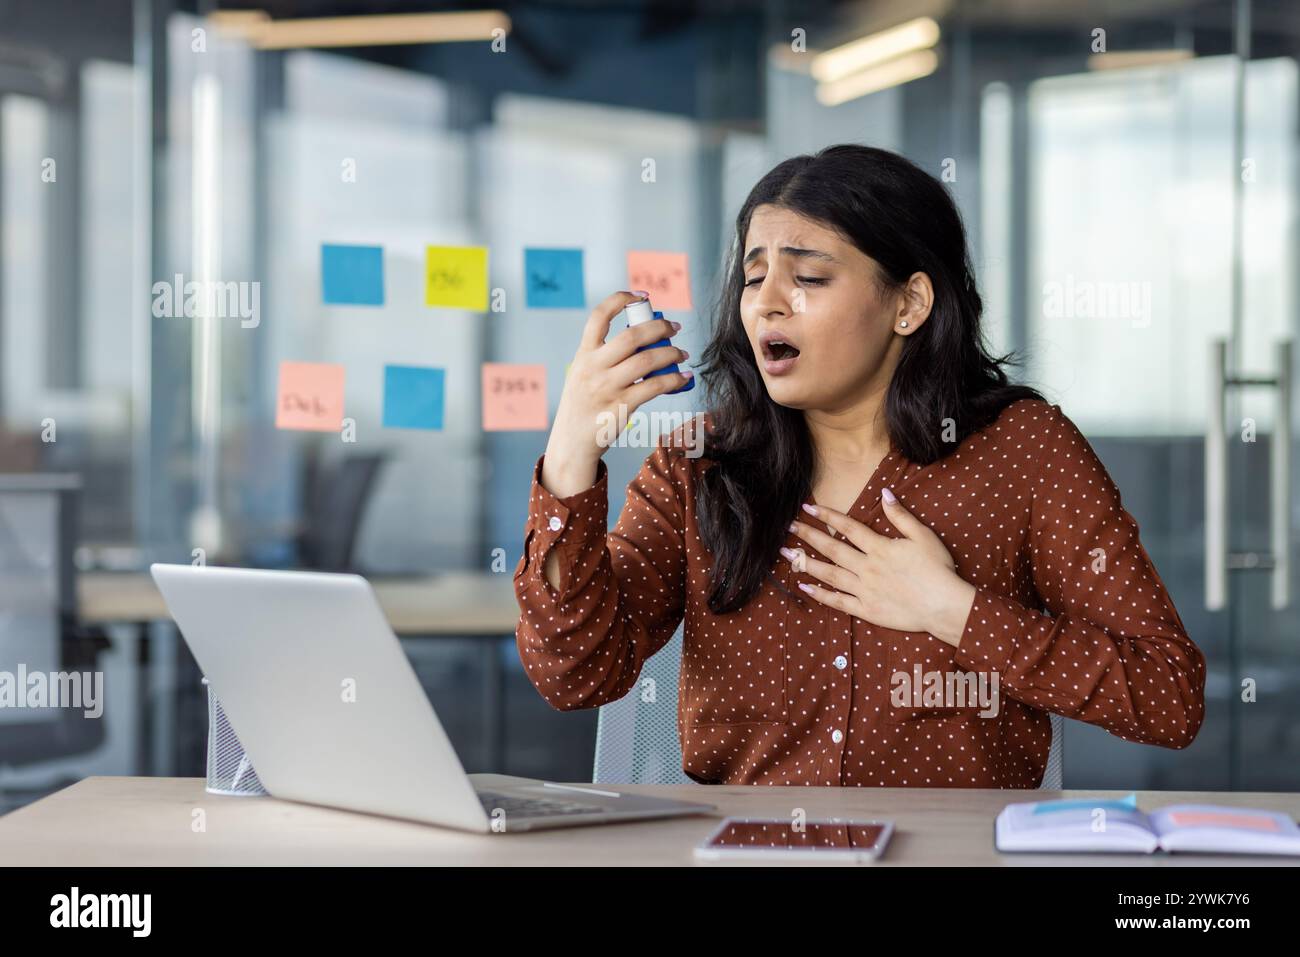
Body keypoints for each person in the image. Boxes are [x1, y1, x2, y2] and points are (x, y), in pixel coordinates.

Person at [512, 143, 1206, 787]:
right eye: (754, 277)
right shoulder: (697, 462)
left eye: (809, 275)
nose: (769, 302)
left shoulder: (1024, 450)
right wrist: (572, 451)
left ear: (908, 304)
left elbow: (1168, 696)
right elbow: (573, 674)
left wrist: (953, 609)